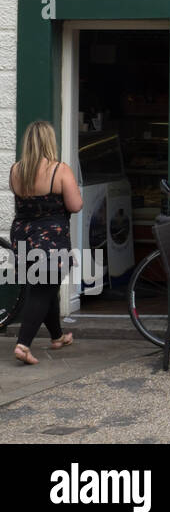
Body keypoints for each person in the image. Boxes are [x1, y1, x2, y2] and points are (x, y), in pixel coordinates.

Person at [9, 120, 81, 365]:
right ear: (50, 142)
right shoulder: (60, 170)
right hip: (50, 238)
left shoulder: (16, 170)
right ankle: (23, 345)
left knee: (46, 287)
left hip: (22, 235)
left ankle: (58, 336)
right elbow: (75, 205)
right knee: (42, 290)